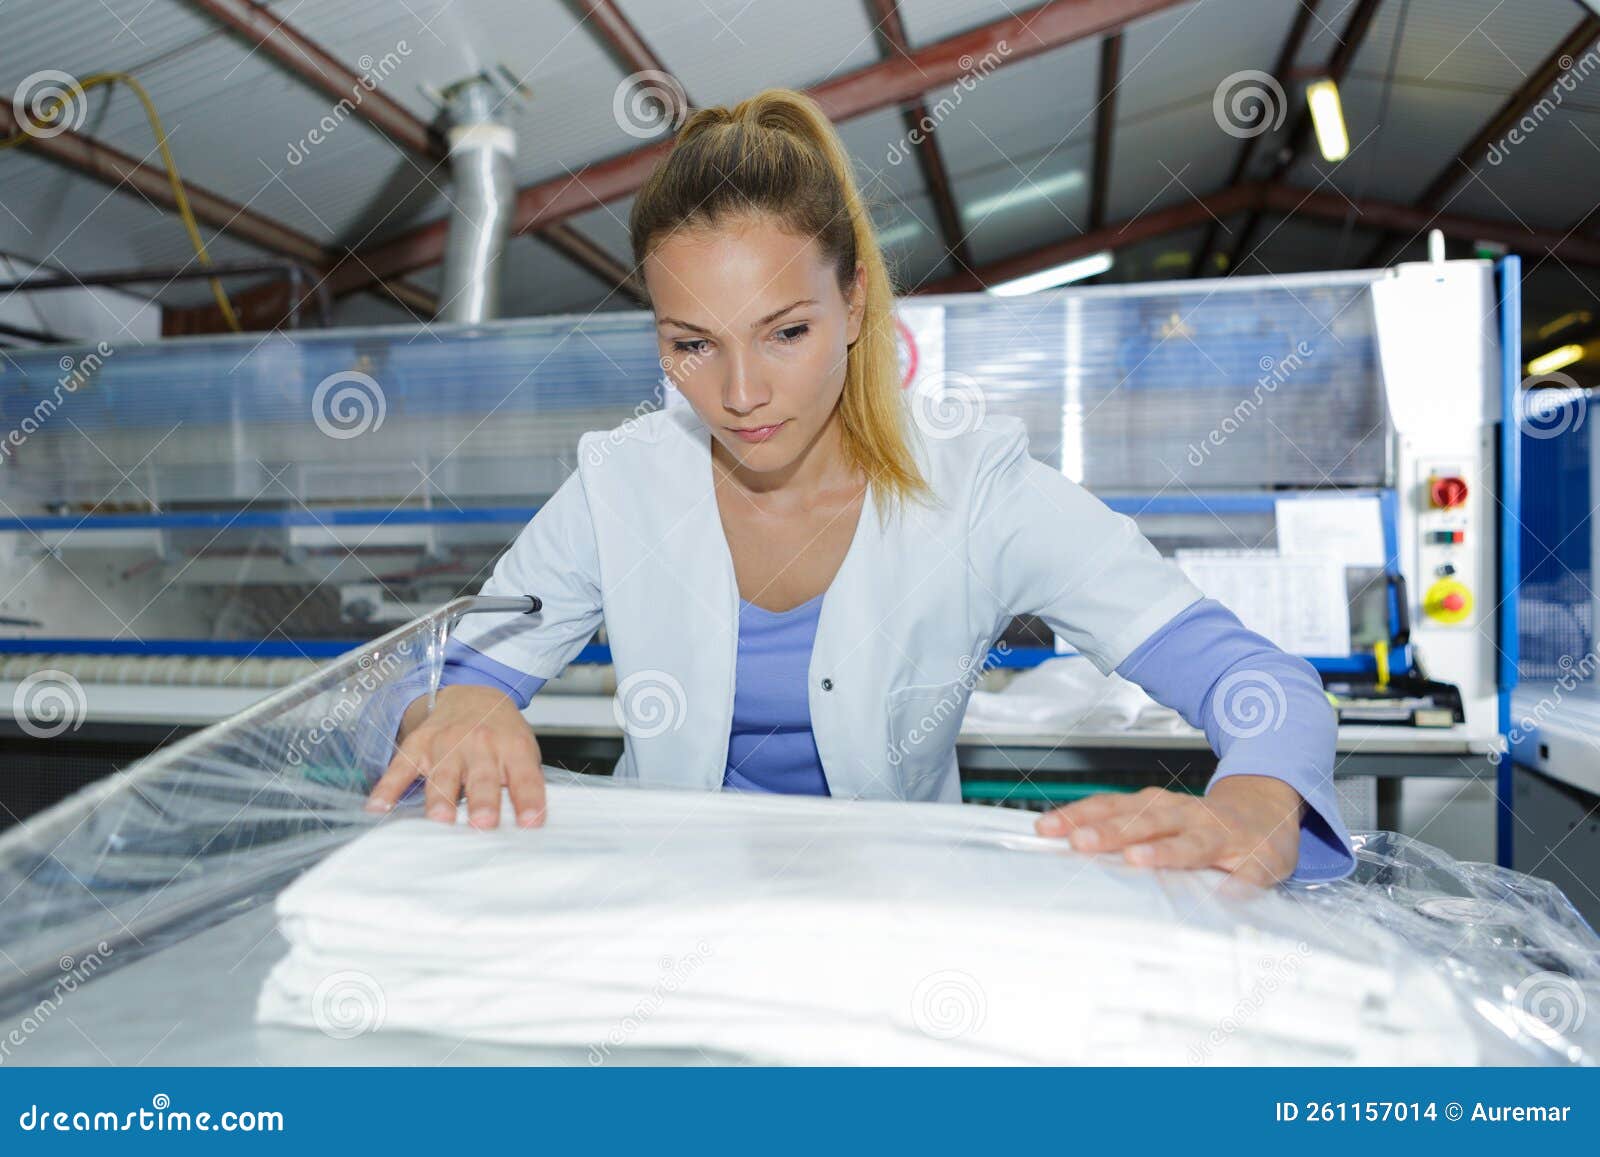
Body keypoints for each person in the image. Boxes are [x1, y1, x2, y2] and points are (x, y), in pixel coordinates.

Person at [365, 88, 1354, 886]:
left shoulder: (977, 490)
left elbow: (1257, 682)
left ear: (851, 303)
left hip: (902, 927)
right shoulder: (620, 484)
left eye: (784, 331)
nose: (740, 393)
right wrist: (447, 708)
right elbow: (426, 683)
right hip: (663, 916)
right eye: (691, 344)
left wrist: (1252, 803)